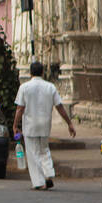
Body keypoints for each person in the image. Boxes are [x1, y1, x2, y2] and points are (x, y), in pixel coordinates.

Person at [12, 61, 77, 190]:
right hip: (45, 125)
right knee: (44, 150)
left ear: (30, 72)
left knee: (32, 153)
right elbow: (59, 107)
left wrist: (15, 125)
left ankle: (39, 182)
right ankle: (48, 174)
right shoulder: (50, 87)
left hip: (30, 125)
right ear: (42, 72)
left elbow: (20, 108)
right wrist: (69, 123)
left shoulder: (24, 87)